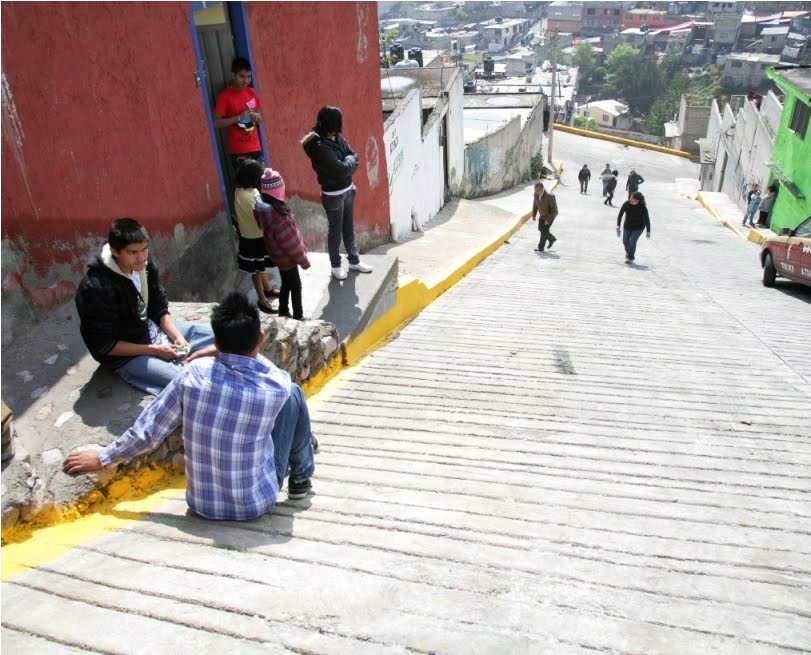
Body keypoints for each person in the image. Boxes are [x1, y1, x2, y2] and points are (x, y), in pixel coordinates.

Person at [63, 292, 316, 518]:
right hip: (254, 504)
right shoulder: (275, 385)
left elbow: (149, 431)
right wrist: (223, 350)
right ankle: (301, 478)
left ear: (216, 340)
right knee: (294, 395)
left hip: (201, 504)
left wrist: (102, 458)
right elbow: (268, 373)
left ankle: (305, 451)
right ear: (260, 339)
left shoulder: (191, 375)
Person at [75, 218, 217, 396]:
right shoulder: (96, 288)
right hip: (129, 355)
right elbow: (105, 345)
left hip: (152, 329)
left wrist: (178, 337)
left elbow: (159, 307)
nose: (141, 257)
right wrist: (154, 350)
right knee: (189, 383)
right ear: (114, 251)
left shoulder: (145, 265)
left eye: (144, 249)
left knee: (229, 337)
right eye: (133, 252)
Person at [301, 105, 372, 281]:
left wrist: (348, 161)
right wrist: (349, 162)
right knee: (335, 232)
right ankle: (336, 265)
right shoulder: (319, 146)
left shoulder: (336, 138)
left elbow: (354, 155)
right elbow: (341, 169)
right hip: (333, 196)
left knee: (348, 229)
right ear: (332, 123)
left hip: (348, 191)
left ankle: (354, 260)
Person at [255, 168, 311, 320]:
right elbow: (291, 244)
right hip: (288, 259)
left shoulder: (263, 210)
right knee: (296, 286)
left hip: (278, 256)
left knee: (286, 283)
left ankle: (283, 311)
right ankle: (298, 317)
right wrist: (303, 261)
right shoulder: (280, 218)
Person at [234, 160, 279, 314]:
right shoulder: (253, 195)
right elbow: (260, 217)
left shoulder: (239, 191)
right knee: (257, 270)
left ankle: (268, 289)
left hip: (247, 236)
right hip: (256, 237)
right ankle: (262, 299)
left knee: (259, 267)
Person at [214, 57, 264, 172]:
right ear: (233, 75)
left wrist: (257, 117)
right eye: (242, 76)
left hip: (256, 147)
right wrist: (239, 117)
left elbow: (260, 119)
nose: (245, 81)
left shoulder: (252, 92)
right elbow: (216, 123)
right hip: (239, 151)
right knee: (246, 187)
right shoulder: (224, 97)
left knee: (261, 184)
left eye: (248, 77)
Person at [616, 191, 651, 263]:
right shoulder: (626, 204)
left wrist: (648, 231)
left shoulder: (642, 207)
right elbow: (620, 214)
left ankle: (630, 257)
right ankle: (628, 253)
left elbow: (647, 219)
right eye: (630, 197)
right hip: (628, 226)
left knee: (632, 241)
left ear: (637, 200)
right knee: (625, 241)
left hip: (639, 227)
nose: (630, 199)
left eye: (632, 198)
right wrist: (618, 225)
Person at [531, 181, 559, 252]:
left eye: (537, 190)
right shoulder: (536, 194)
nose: (536, 192)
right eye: (535, 190)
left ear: (542, 189)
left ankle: (541, 248)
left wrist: (548, 220)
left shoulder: (550, 196)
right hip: (542, 215)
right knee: (540, 228)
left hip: (550, 215)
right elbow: (535, 204)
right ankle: (551, 238)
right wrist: (534, 214)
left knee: (544, 230)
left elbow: (554, 211)